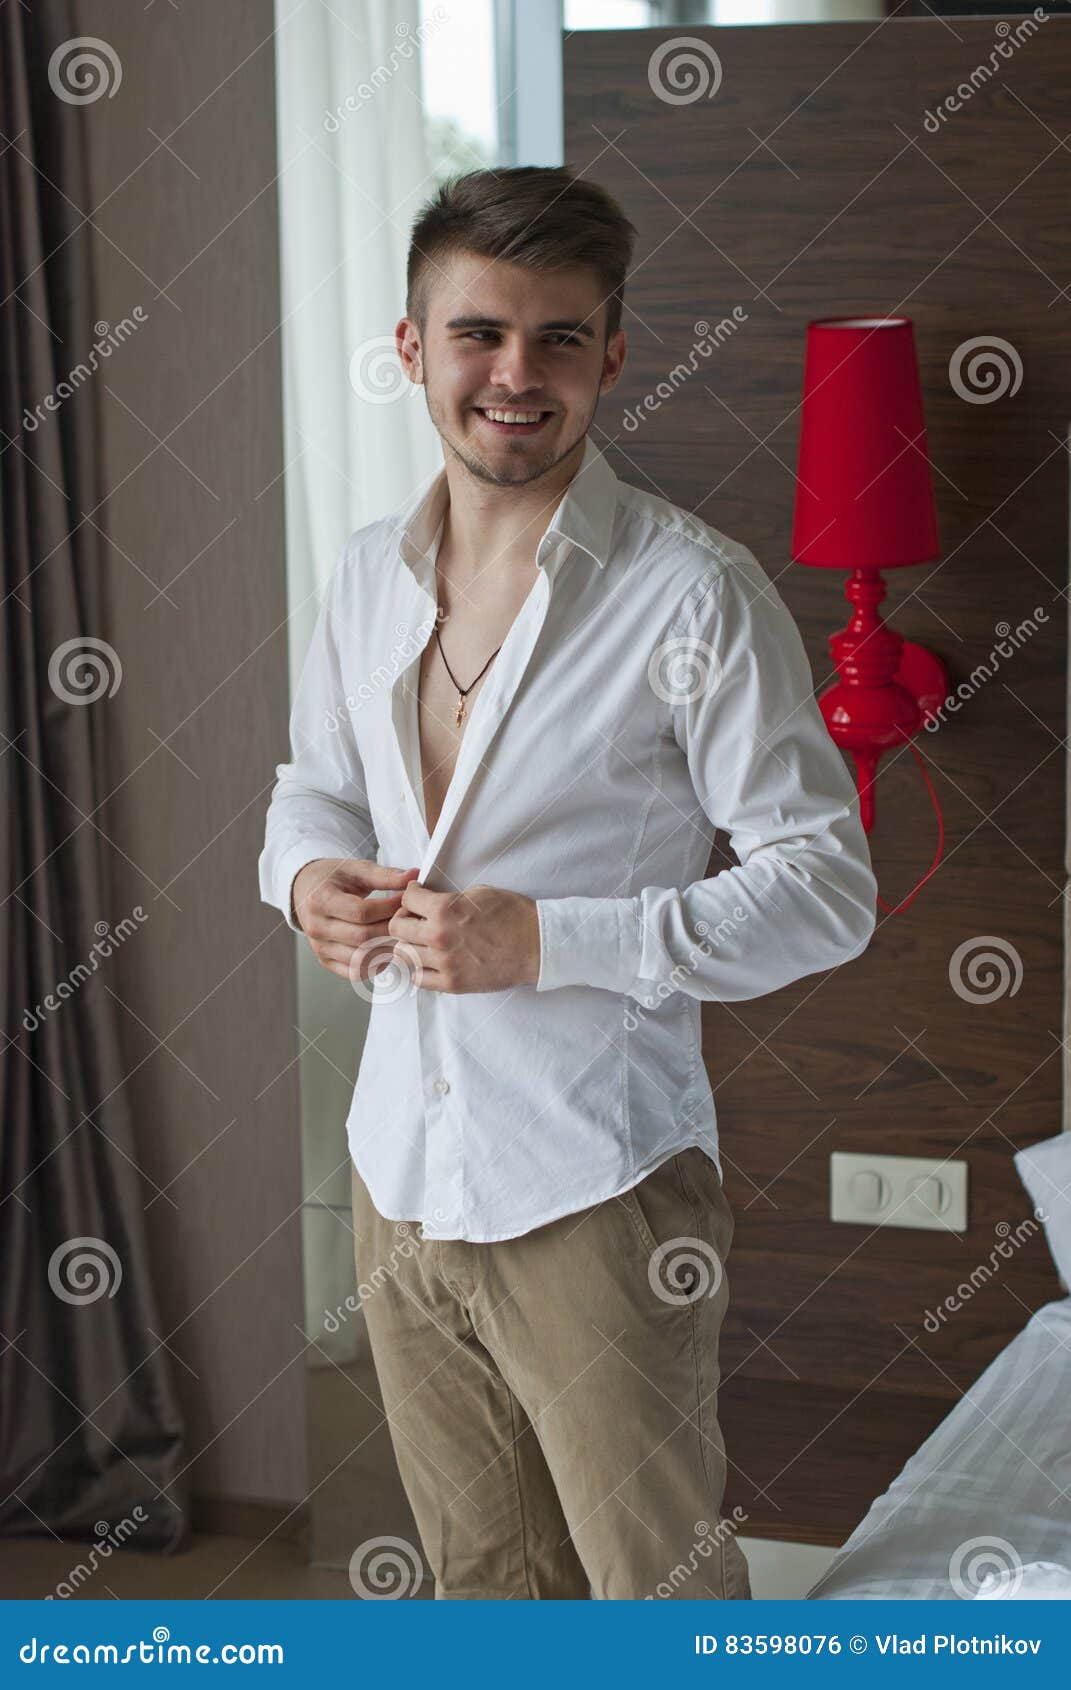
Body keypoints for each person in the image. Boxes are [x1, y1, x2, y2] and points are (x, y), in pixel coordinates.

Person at [258, 165, 878, 1601]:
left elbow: (824, 885)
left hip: (595, 1188)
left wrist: (548, 939)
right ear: (413, 348)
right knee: (484, 1582)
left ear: (612, 355)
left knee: (655, 1587)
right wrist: (305, 883)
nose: (514, 375)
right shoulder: (362, 577)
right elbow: (313, 784)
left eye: (557, 338)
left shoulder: (694, 594)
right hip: (399, 1173)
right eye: (478, 333)